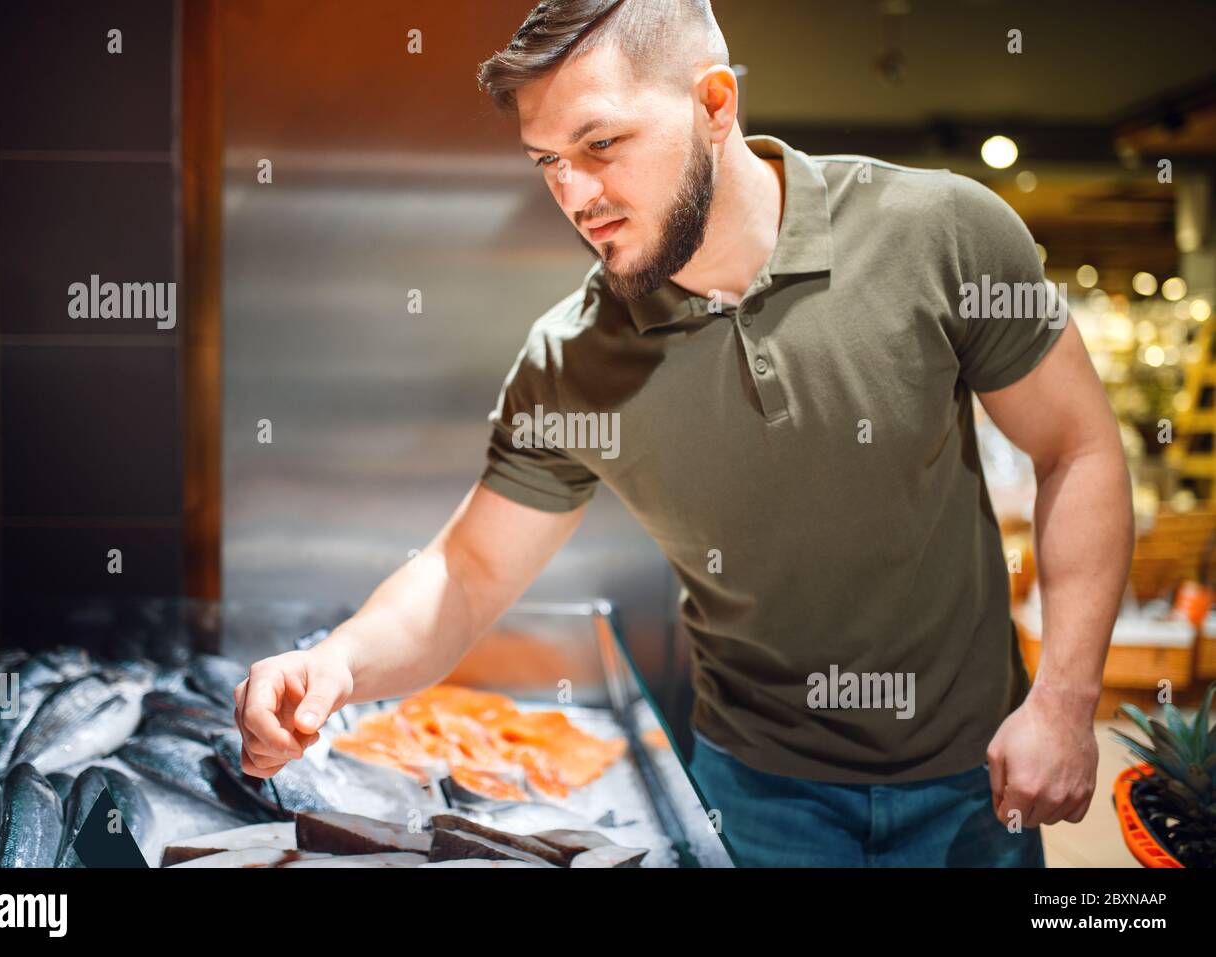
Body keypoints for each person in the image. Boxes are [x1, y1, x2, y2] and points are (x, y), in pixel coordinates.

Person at [233, 0, 1133, 867]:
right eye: (547, 161)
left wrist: (1063, 700)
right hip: (754, 796)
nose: (574, 194)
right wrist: (337, 663)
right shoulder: (571, 357)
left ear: (714, 103)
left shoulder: (940, 232)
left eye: (601, 144)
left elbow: (1078, 449)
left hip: (980, 773)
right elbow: (466, 573)